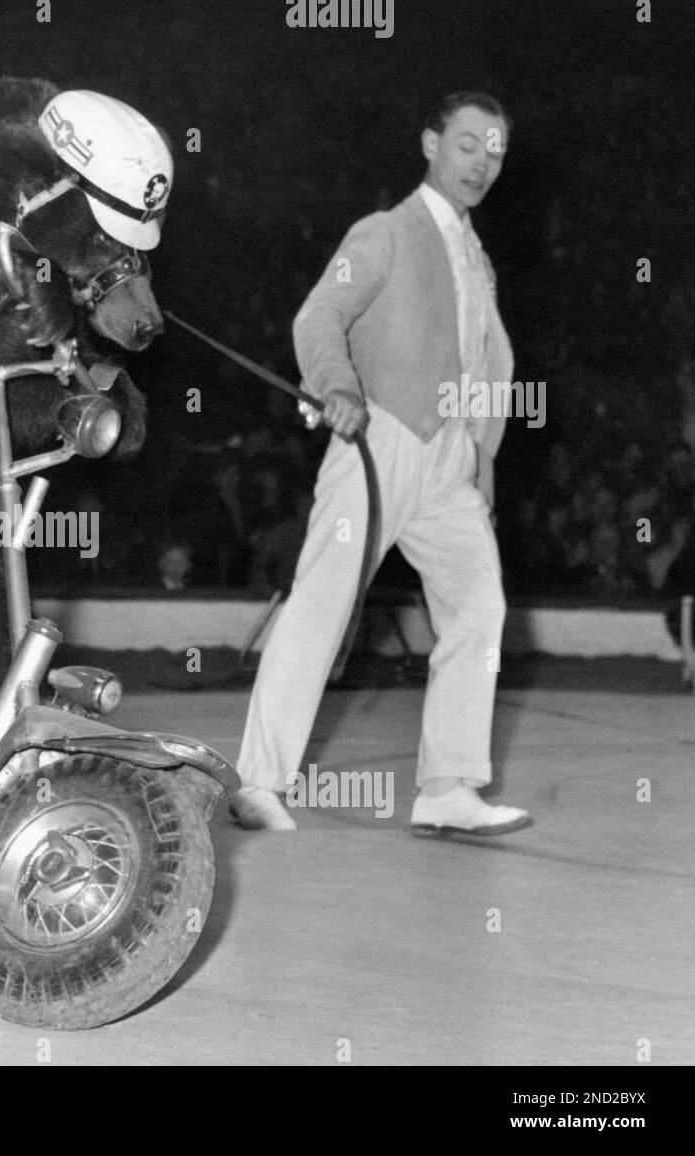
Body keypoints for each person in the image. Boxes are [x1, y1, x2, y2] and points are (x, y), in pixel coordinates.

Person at [232, 92, 532, 837]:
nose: (482, 163)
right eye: (469, 145)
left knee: (480, 610)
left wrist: (482, 460)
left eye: (495, 150)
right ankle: (258, 782)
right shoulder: (385, 232)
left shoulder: (478, 257)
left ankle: (448, 788)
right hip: (378, 441)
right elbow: (318, 316)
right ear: (431, 142)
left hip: (452, 461)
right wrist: (337, 387)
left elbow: (485, 364)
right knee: (324, 602)